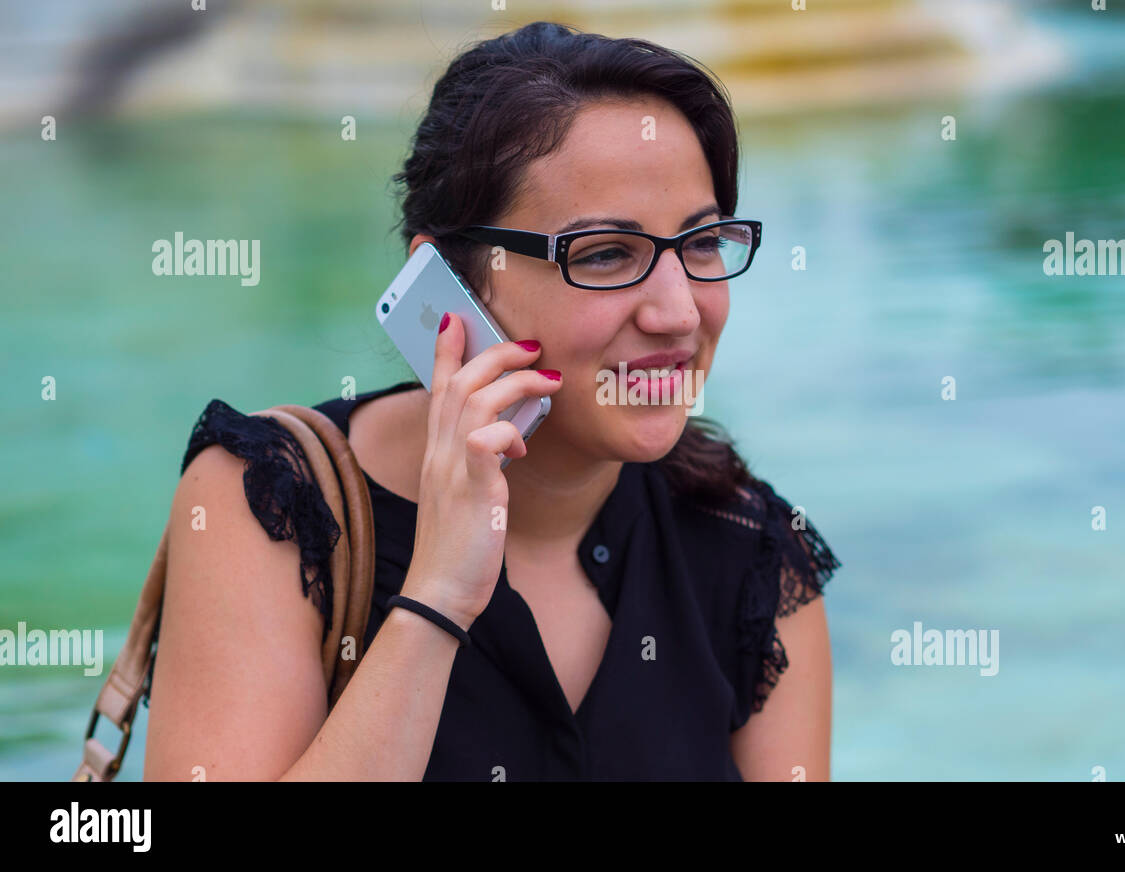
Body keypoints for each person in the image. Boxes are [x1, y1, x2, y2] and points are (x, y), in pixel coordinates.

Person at [142, 21, 840, 781]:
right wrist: (438, 595)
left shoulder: (751, 549)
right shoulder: (270, 506)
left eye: (701, 244)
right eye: (605, 255)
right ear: (449, 288)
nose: (677, 311)